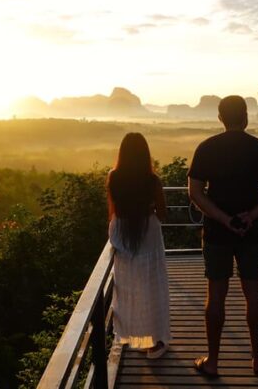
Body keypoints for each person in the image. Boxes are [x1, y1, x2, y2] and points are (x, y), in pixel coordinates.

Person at [188, 95, 258, 378]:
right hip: (250, 231)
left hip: (217, 232)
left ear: (220, 117)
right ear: (246, 117)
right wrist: (251, 216)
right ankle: (257, 358)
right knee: (253, 292)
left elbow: (195, 193)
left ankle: (213, 361)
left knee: (216, 294)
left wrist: (223, 219)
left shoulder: (206, 148)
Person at [107, 132, 170, 359]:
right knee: (153, 285)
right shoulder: (152, 181)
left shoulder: (113, 177)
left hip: (122, 233)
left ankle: (137, 335)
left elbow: (112, 211)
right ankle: (155, 341)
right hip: (148, 233)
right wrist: (149, 209)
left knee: (127, 285)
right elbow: (162, 213)